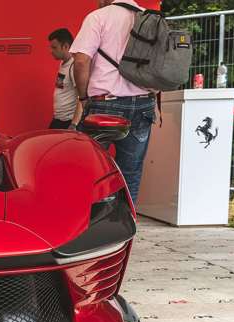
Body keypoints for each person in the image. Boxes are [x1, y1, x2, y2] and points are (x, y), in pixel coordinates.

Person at [71, 0, 157, 204]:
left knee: (89, 168)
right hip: (142, 104)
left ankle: (89, 223)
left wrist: (83, 97)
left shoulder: (99, 17)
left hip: (104, 104)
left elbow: (81, 60)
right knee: (131, 171)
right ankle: (127, 228)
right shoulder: (150, 19)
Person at [48, 28, 82, 130]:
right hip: (58, 119)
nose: (51, 51)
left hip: (68, 122)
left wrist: (74, 124)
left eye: (54, 47)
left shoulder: (74, 66)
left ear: (66, 46)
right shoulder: (63, 63)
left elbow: (82, 98)